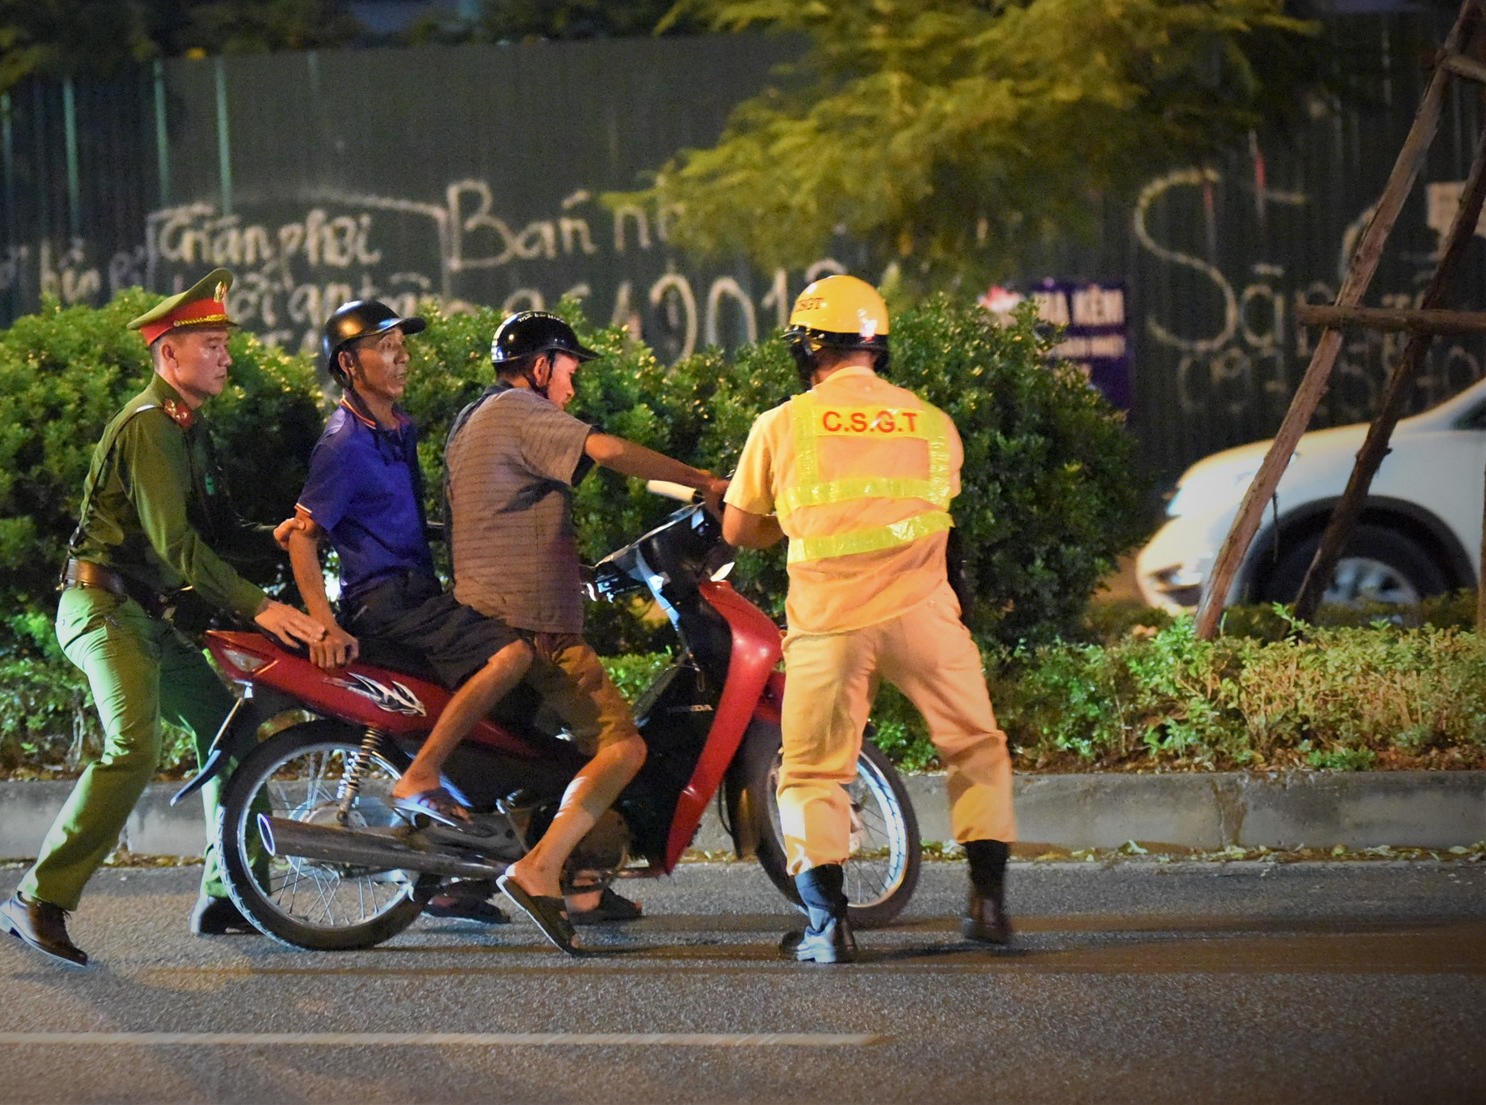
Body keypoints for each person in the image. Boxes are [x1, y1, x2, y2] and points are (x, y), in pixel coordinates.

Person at [0, 269, 326, 968]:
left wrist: (274, 537)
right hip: (104, 608)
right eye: (211, 345)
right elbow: (176, 546)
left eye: (225, 345)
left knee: (231, 731)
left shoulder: (188, 429)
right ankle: (37, 898)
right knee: (133, 747)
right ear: (168, 354)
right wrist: (263, 606)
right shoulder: (149, 426)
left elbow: (215, 531)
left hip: (149, 616)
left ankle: (231, 891)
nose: (226, 357)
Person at [720, 274, 1017, 964]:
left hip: (831, 623)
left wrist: (785, 519)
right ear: (876, 346)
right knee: (975, 747)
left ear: (808, 348)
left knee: (814, 771)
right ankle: (988, 905)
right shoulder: (932, 422)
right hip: (925, 614)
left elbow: (740, 530)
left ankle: (830, 926)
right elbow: (928, 506)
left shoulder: (782, 424)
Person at [445, 310, 728, 953]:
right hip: (534, 627)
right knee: (622, 748)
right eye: (568, 372)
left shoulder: (475, 418)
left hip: (488, 615)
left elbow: (505, 514)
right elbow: (608, 449)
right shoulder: (522, 409)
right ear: (540, 366)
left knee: (550, 757)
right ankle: (540, 869)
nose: (572, 389)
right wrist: (704, 481)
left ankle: (577, 879)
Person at [280, 300, 536, 919]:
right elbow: (302, 539)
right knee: (512, 656)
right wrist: (324, 625)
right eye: (386, 347)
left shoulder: (398, 428)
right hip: (385, 602)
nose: (402, 357)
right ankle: (421, 775)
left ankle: (459, 878)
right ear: (349, 364)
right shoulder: (343, 443)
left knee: (510, 713)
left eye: (402, 346)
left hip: (420, 592)